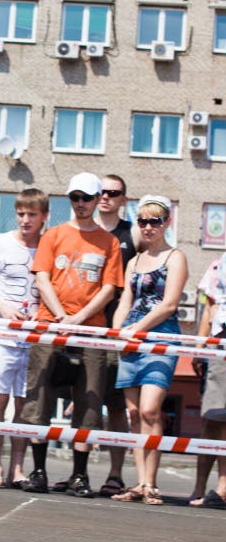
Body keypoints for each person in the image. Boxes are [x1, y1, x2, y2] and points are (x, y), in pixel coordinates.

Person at [20, 172, 123, 497]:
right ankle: (37, 470)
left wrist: (79, 318)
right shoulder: (53, 235)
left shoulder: (110, 242)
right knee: (39, 396)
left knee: (90, 398)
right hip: (51, 324)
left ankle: (80, 475)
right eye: (75, 198)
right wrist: (62, 317)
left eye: (86, 198)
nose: (80, 204)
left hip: (91, 330)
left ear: (97, 201)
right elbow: (42, 278)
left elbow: (109, 288)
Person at [109, 195, 188, 506]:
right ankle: (140, 482)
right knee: (132, 413)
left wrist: (134, 330)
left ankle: (151, 482)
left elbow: (169, 304)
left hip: (160, 336)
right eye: (142, 221)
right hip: (131, 335)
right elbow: (124, 301)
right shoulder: (134, 261)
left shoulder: (175, 257)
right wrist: (118, 333)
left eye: (155, 220)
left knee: (150, 409)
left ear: (166, 222)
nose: (148, 226)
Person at [0, 189, 49, 488]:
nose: (25, 220)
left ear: (44, 216)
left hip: (34, 339)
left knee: (23, 406)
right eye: (20, 214)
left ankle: (17, 469)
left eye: (32, 214)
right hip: (2, 336)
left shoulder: (48, 245)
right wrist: (4, 309)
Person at [94, 174, 138, 497]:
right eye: (101, 192)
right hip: (86, 327)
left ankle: (115, 473)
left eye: (113, 193)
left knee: (118, 406)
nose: (106, 197)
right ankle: (78, 472)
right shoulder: (84, 230)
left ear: (123, 199)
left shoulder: (133, 233)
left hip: (119, 331)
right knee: (85, 400)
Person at [189, 255, 226, 508]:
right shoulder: (218, 264)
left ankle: (222, 488)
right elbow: (208, 307)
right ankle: (200, 487)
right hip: (219, 345)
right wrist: (199, 347)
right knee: (212, 419)